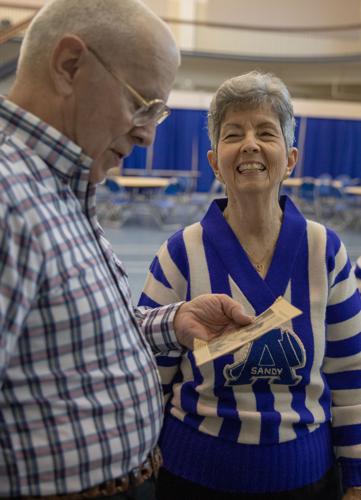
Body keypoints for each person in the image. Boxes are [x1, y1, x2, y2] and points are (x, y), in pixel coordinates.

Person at [0, 1, 254, 498]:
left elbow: (60, 333)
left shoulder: (56, 187)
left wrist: (174, 322)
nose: (147, 132)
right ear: (70, 65)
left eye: (157, 113)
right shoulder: (8, 195)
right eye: (143, 104)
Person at [139, 71, 361, 500]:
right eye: (233, 134)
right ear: (214, 161)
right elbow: (151, 377)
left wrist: (356, 478)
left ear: (291, 158)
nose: (250, 144)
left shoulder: (326, 252)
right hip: (192, 478)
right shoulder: (179, 253)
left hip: (306, 481)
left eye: (266, 132)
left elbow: (350, 375)